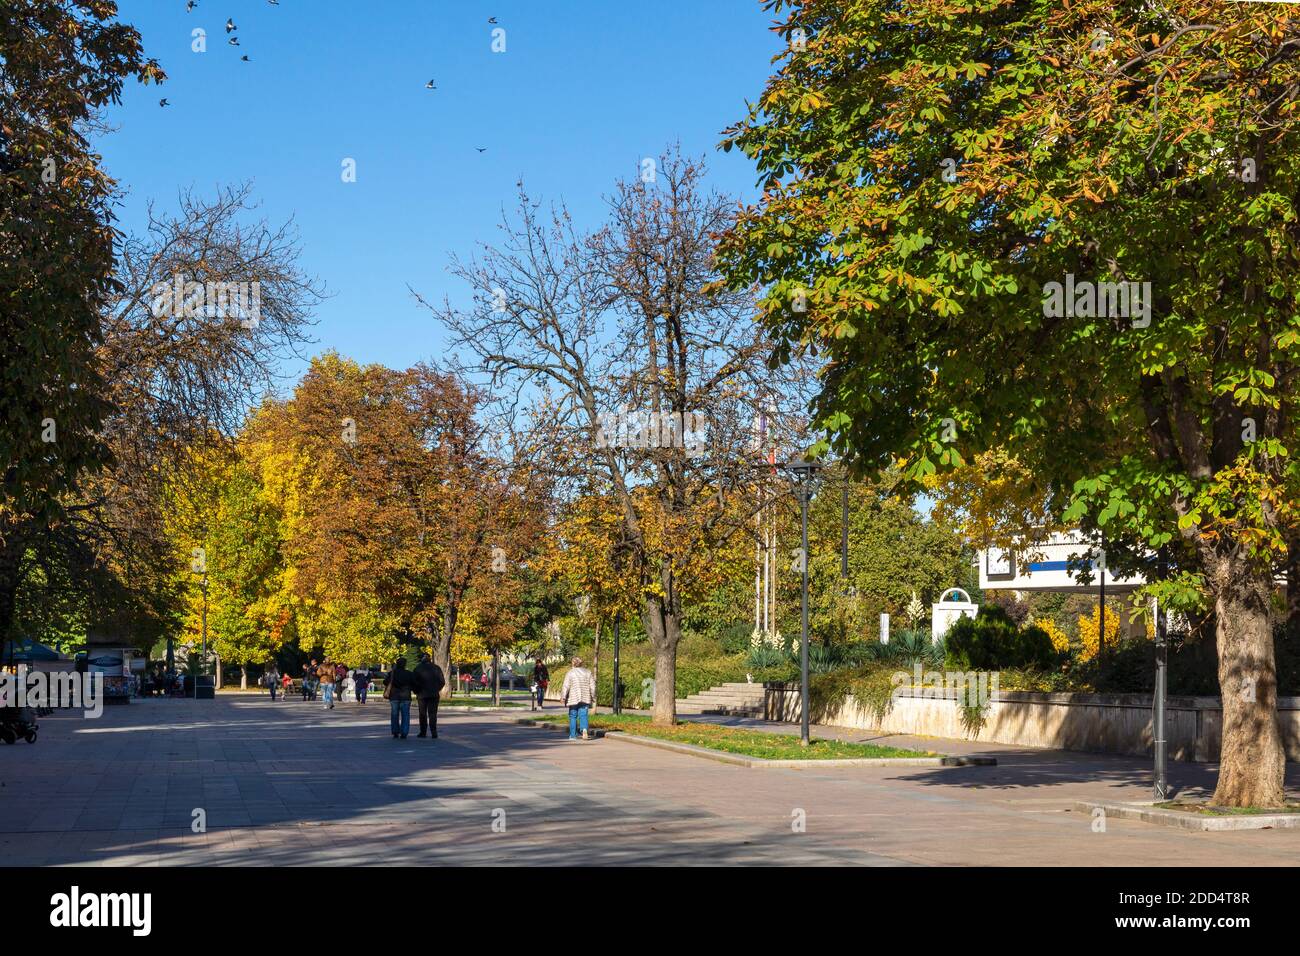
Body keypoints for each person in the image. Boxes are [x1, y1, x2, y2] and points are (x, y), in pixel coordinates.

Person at [560, 656, 596, 741]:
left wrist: (563, 697)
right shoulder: (588, 672)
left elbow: (566, 686)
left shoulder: (570, 673)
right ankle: (584, 729)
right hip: (585, 697)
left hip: (573, 698)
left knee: (573, 715)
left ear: (573, 663)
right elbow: (593, 687)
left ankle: (573, 735)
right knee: (583, 715)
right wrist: (593, 696)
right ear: (581, 663)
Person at [413, 653, 445, 738]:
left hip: (422, 695)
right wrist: (436, 689)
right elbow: (442, 681)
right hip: (433, 694)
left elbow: (413, 682)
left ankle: (423, 732)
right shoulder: (436, 668)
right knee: (433, 714)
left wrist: (417, 691)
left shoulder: (418, 669)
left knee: (422, 714)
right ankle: (434, 732)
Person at [385, 658, 416, 739]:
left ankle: (395, 731)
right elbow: (414, 683)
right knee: (405, 715)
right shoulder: (409, 674)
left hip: (394, 696)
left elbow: (385, 682)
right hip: (405, 696)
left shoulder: (392, 673)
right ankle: (404, 732)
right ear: (405, 664)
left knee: (394, 714)